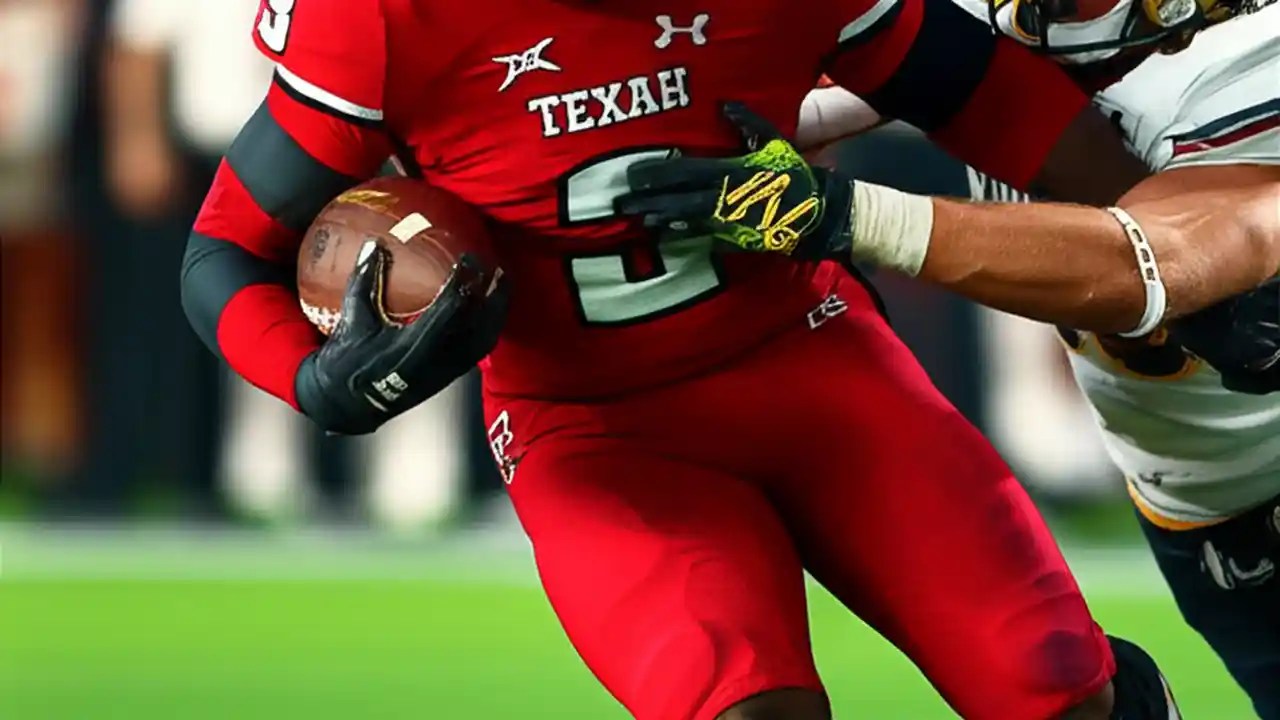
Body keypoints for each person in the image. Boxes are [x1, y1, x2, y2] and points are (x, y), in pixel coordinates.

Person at [179, 1, 1185, 717]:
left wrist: (1173, 250)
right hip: (591, 427)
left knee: (1048, 685)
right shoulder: (389, 18)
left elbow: (990, 95)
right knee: (740, 704)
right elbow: (226, 243)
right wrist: (313, 380)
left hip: (809, 359)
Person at [757, 0, 1280, 714]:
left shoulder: (1254, 50)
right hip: (1199, 513)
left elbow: (1153, 261)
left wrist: (847, 213)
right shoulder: (1015, 16)